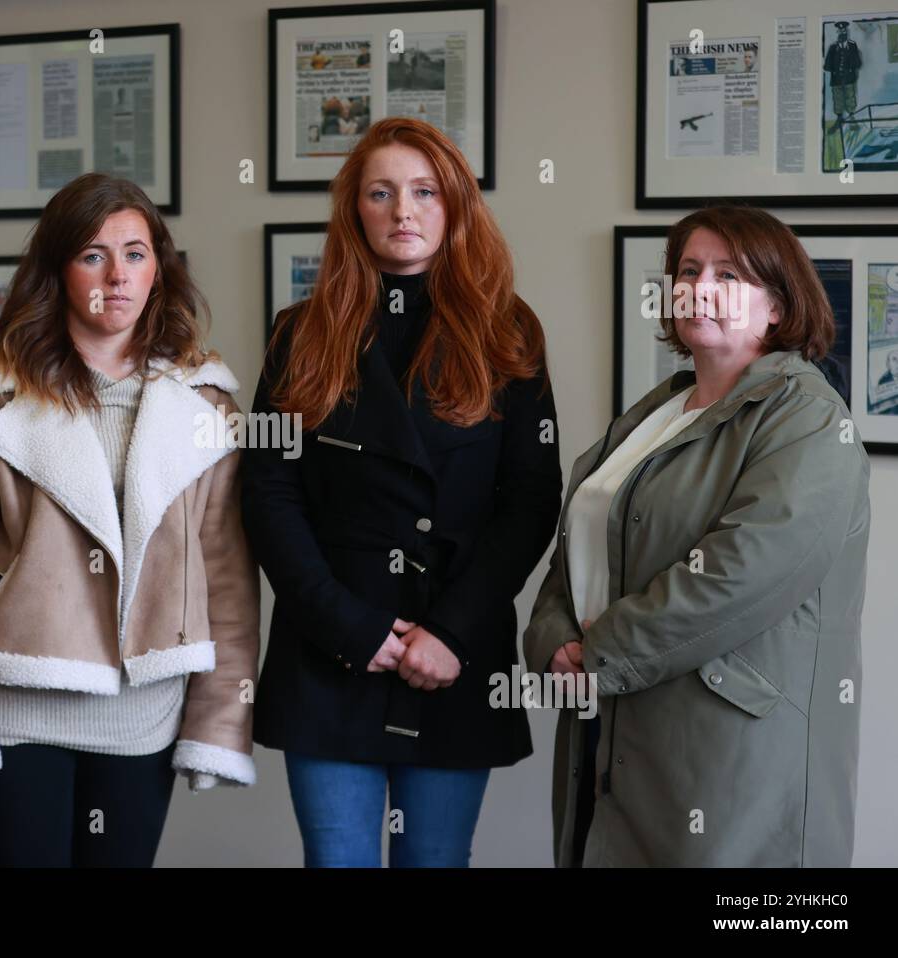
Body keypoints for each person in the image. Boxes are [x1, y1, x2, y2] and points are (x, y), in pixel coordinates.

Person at [0, 172, 259, 868]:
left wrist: (219, 720)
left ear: (160, 267)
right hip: (16, 710)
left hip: (144, 717)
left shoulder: (206, 406)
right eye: (93, 254)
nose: (116, 275)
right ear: (57, 271)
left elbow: (228, 583)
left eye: (136, 252)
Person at [242, 116, 562, 868]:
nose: (402, 211)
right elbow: (267, 494)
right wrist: (348, 627)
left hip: (455, 651)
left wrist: (450, 633)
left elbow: (530, 500)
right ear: (355, 209)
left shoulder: (510, 333)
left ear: (454, 206)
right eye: (380, 193)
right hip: (331, 652)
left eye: (423, 191)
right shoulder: (299, 334)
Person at [524, 206, 870, 867]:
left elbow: (737, 577)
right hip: (605, 729)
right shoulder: (655, 412)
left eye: (729, 274)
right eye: (687, 270)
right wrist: (548, 639)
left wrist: (596, 653)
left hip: (727, 751)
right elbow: (581, 548)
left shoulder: (809, 419)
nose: (698, 287)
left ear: (777, 304)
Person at [824, 21, 862, 132]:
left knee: (850, 99)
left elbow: (858, 63)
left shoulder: (852, 45)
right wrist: (835, 69)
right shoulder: (832, 47)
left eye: (844, 31)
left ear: (847, 32)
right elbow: (826, 66)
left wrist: (849, 69)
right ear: (837, 33)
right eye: (840, 31)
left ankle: (852, 121)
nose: (842, 33)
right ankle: (838, 122)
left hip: (849, 79)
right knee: (838, 100)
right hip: (836, 80)